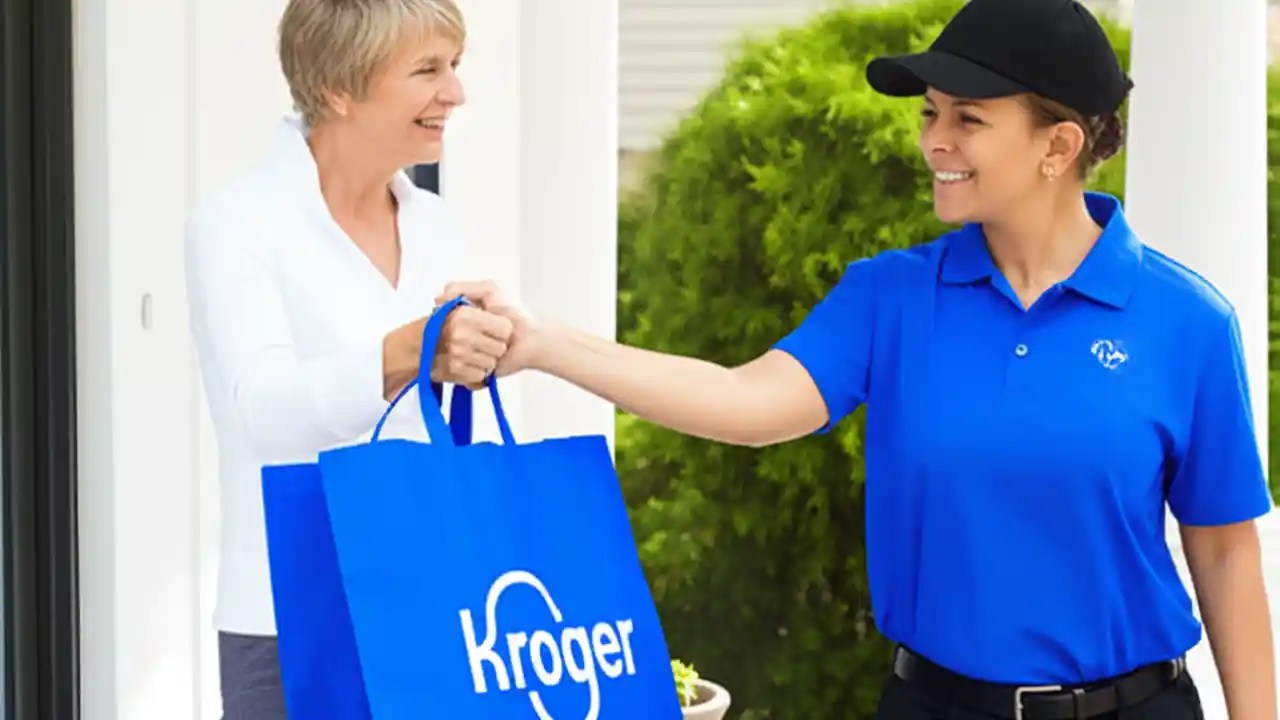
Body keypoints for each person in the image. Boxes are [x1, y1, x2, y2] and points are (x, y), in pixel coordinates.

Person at [440, 0, 1277, 717]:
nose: (933, 142)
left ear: (1057, 145)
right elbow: (745, 401)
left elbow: (1224, 551)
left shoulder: (1185, 323)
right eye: (931, 113)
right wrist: (545, 343)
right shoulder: (892, 299)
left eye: (968, 118)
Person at [183, 1, 511, 716]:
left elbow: (434, 420)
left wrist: (485, 349)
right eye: (427, 70)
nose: (455, 92)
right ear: (339, 87)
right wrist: (405, 353)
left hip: (433, 600)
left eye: (453, 66)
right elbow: (261, 416)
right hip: (293, 613)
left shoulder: (433, 225)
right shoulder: (238, 225)